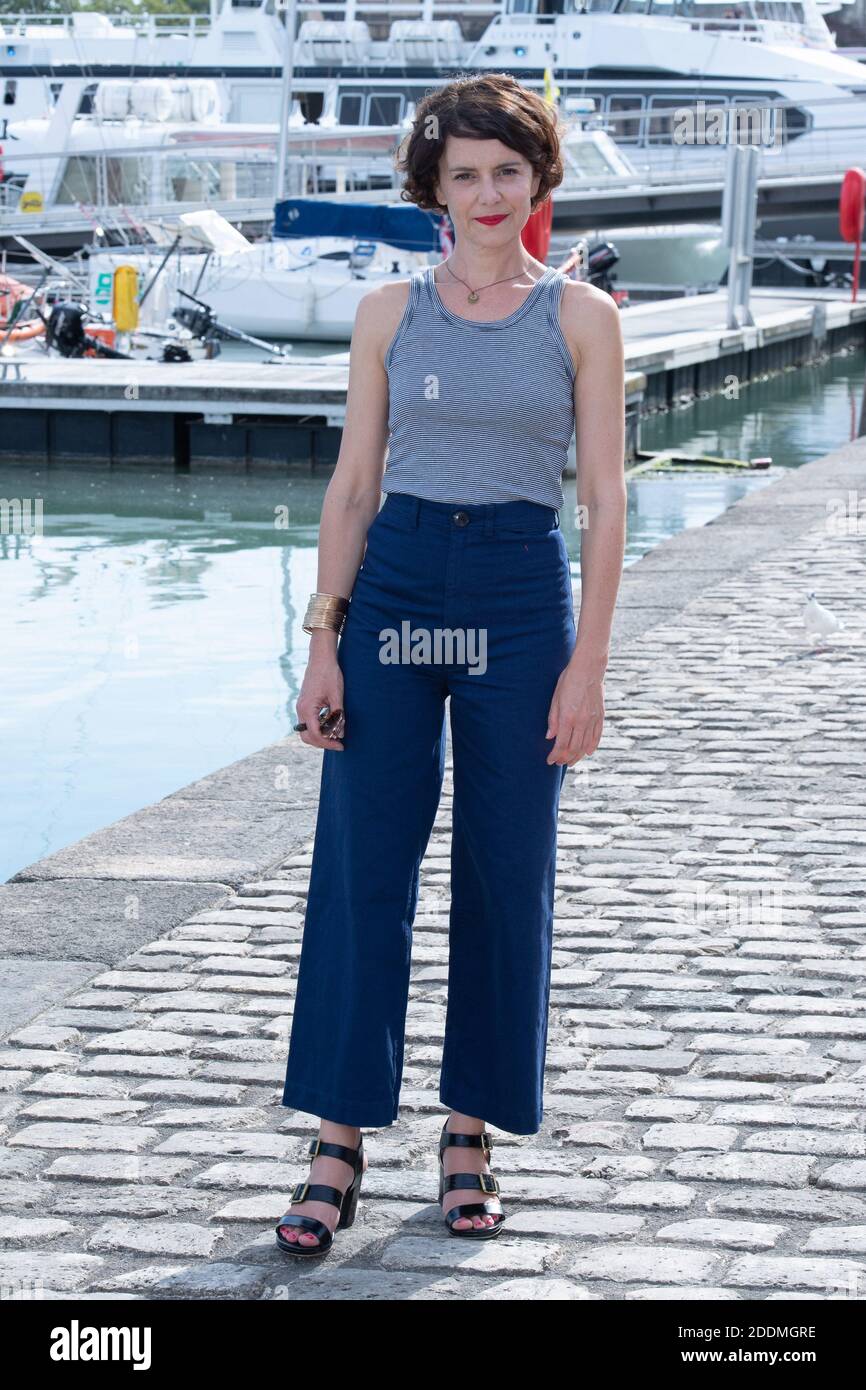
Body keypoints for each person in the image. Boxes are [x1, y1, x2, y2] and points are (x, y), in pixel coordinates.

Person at [275, 71, 626, 1258]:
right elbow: (353, 486)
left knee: (503, 868)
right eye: (464, 172)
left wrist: (586, 666)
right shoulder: (389, 313)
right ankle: (336, 1136)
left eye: (507, 172)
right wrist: (320, 641)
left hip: (523, 598)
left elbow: (606, 505)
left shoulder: (579, 320)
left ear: (537, 183)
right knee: (362, 861)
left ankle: (466, 1131)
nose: (486, 193)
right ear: (433, 182)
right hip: (396, 592)